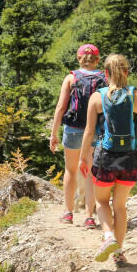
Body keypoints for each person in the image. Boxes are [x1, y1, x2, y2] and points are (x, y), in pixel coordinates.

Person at [78, 53, 137, 267]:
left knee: (102, 201)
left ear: (106, 74)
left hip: (105, 157)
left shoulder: (97, 97)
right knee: (120, 206)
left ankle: (108, 236)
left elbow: (89, 131)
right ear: (127, 72)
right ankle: (118, 253)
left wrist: (84, 157)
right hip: (130, 157)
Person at [50, 43, 106, 228]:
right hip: (95, 131)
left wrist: (54, 134)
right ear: (98, 60)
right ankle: (89, 216)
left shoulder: (71, 78)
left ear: (78, 58)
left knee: (71, 170)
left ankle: (68, 213)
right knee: (90, 173)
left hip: (73, 129)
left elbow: (60, 108)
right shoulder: (104, 78)